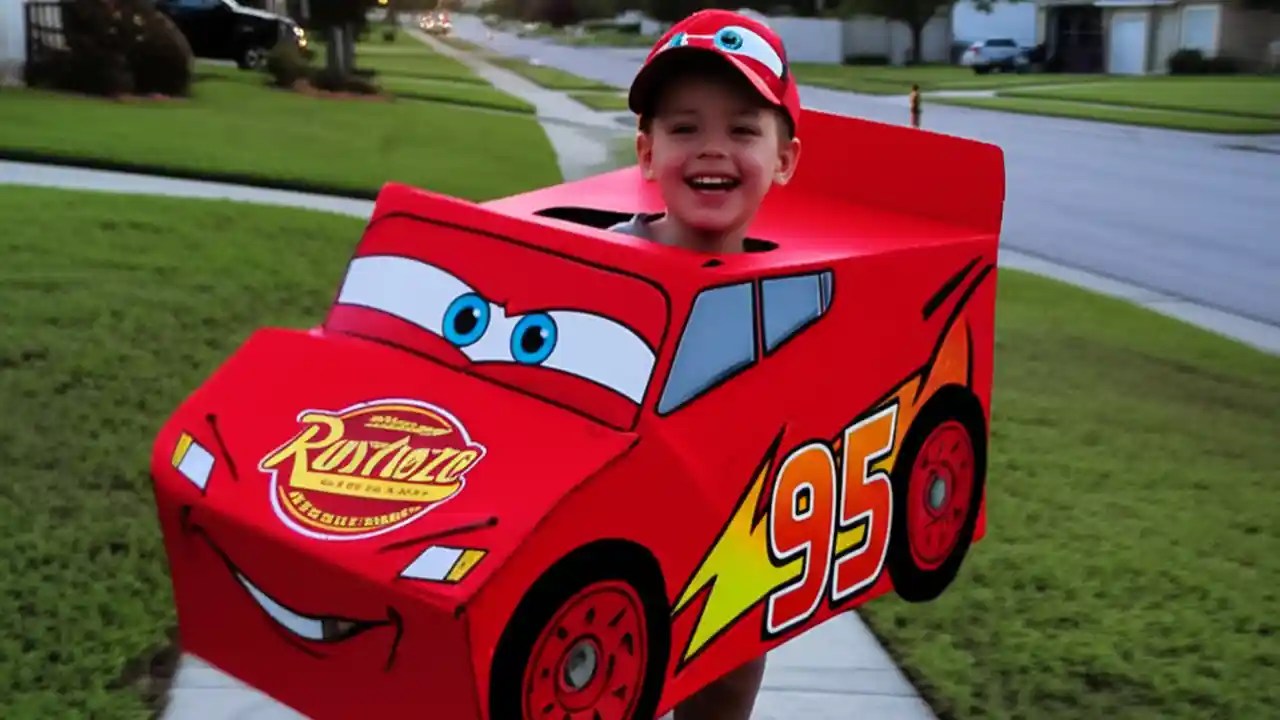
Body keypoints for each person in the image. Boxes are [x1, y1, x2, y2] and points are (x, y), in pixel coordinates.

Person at [609, 9, 803, 719]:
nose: (711, 149)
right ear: (647, 152)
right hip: (614, 548)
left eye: (743, 129)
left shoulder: (790, 288)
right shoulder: (603, 271)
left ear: (784, 158)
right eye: (684, 128)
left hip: (734, 548)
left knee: (724, 691)